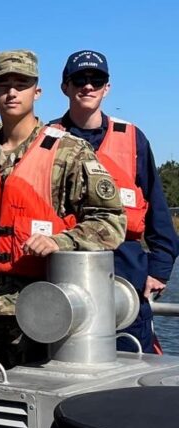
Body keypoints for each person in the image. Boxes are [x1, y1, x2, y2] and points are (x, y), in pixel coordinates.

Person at [0, 50, 125, 371]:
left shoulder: (68, 152)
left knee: (38, 409)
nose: (11, 92)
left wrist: (62, 241)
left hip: (42, 312)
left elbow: (111, 222)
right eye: (2, 85)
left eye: (21, 84)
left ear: (37, 92)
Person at [51, 50, 178, 354]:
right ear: (65, 87)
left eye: (97, 79)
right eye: (79, 79)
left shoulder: (133, 138)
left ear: (107, 88)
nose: (88, 86)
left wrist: (159, 270)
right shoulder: (47, 139)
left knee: (131, 375)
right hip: (60, 279)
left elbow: (158, 212)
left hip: (126, 279)